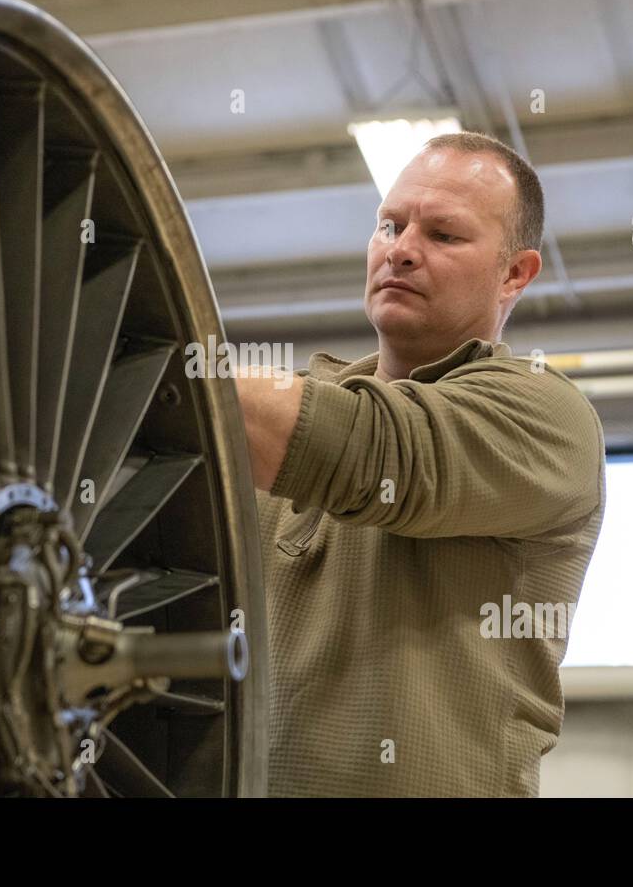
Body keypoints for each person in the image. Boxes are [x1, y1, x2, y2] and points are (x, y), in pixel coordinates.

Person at [234, 131, 606, 797]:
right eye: (389, 225)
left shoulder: (546, 418)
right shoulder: (277, 419)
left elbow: (370, 452)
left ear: (515, 274)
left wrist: (144, 372)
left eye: (444, 235)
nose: (400, 249)